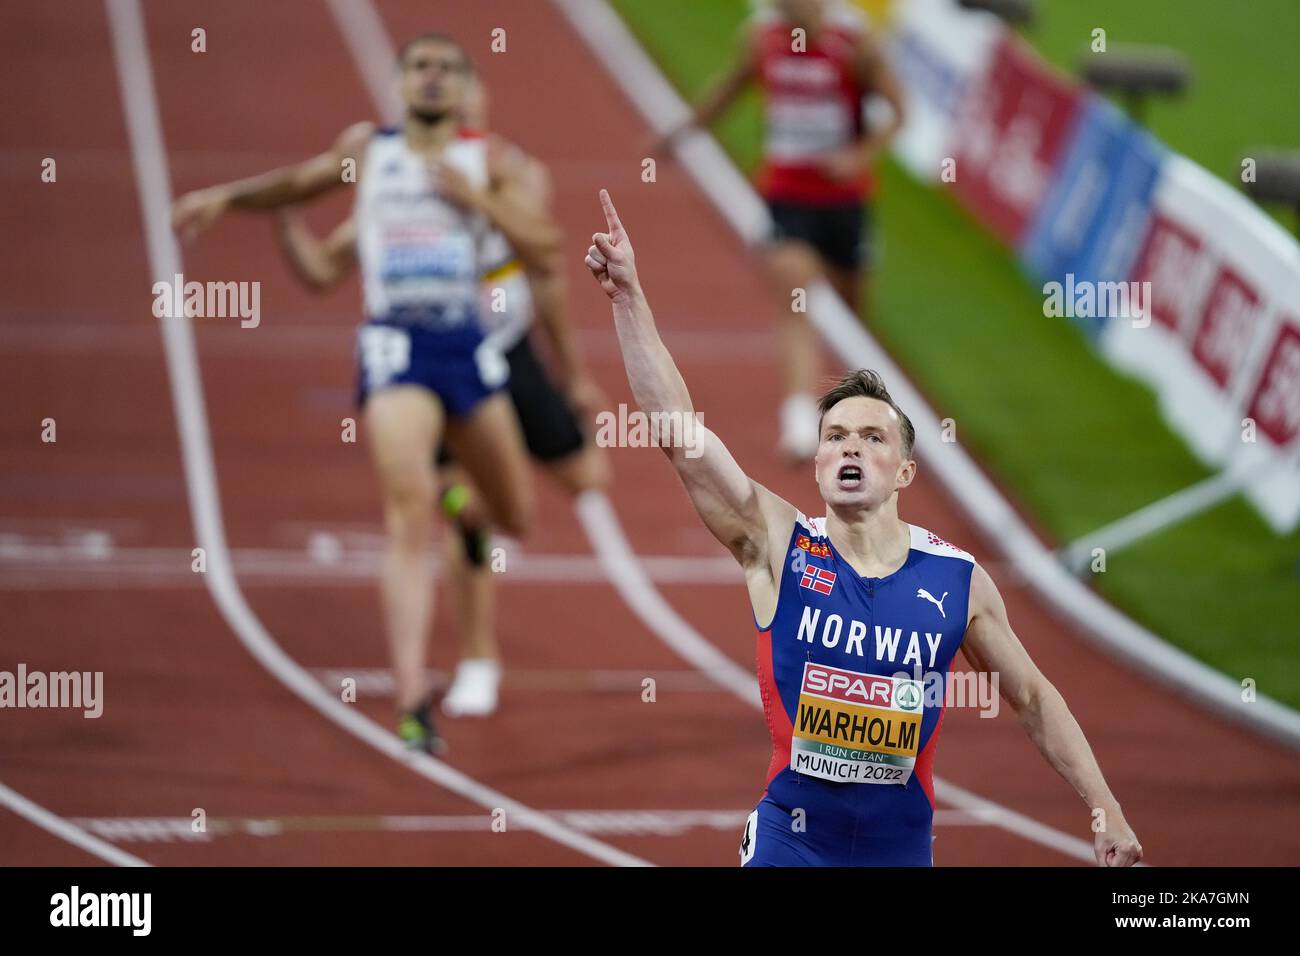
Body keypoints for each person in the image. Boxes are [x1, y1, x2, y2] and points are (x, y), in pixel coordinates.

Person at [584, 188, 1142, 867]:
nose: (851, 448)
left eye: (873, 438)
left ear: (905, 472)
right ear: (817, 462)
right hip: (792, 842)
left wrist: (1103, 804)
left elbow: (1030, 696)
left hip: (900, 851)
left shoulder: (957, 581)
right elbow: (678, 433)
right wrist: (628, 299)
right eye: (836, 436)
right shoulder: (777, 543)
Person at [171, 33, 555, 753]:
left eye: (447, 68)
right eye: (420, 67)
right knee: (406, 511)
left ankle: (460, 507)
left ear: (466, 87)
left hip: (467, 348)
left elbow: (547, 248)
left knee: (513, 515)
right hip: (395, 347)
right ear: (400, 84)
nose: (432, 78)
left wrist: (477, 200)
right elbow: (297, 185)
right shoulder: (368, 151)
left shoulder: (490, 163)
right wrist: (225, 197)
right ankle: (412, 695)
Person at [272, 75, 610, 718]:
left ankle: (475, 493)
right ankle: (479, 654)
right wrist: (285, 220)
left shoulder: (515, 178)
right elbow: (323, 268)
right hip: (440, 365)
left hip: (509, 357)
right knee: (470, 519)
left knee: (588, 477)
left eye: (473, 124)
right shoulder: (398, 194)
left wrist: (575, 373)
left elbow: (550, 270)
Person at [658, 0, 905, 461]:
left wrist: (858, 155)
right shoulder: (761, 40)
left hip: (845, 200)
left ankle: (865, 407)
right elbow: (729, 89)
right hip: (787, 195)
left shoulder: (855, 45)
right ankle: (798, 419)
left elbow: (897, 110)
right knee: (795, 294)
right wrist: (679, 133)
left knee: (853, 314)